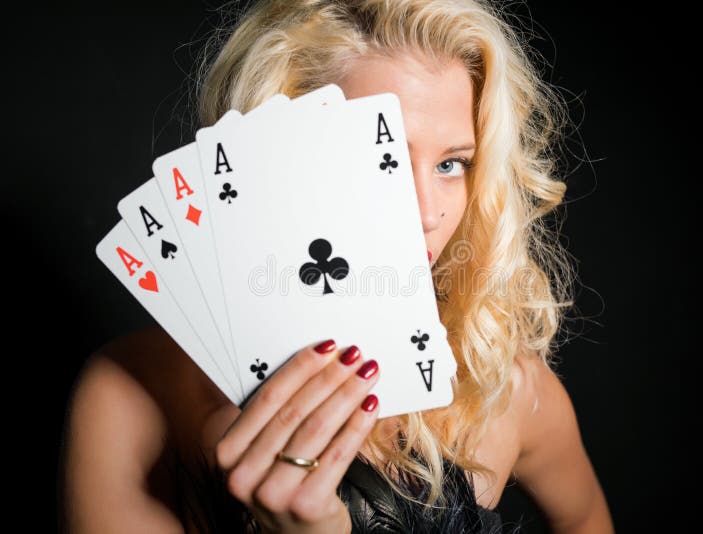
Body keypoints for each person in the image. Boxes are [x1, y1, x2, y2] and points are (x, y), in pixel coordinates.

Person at [59, 0, 614, 532]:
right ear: (275, 156)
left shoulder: (501, 387)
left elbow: (585, 519)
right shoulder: (131, 395)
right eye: (382, 158)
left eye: (452, 163)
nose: (425, 213)